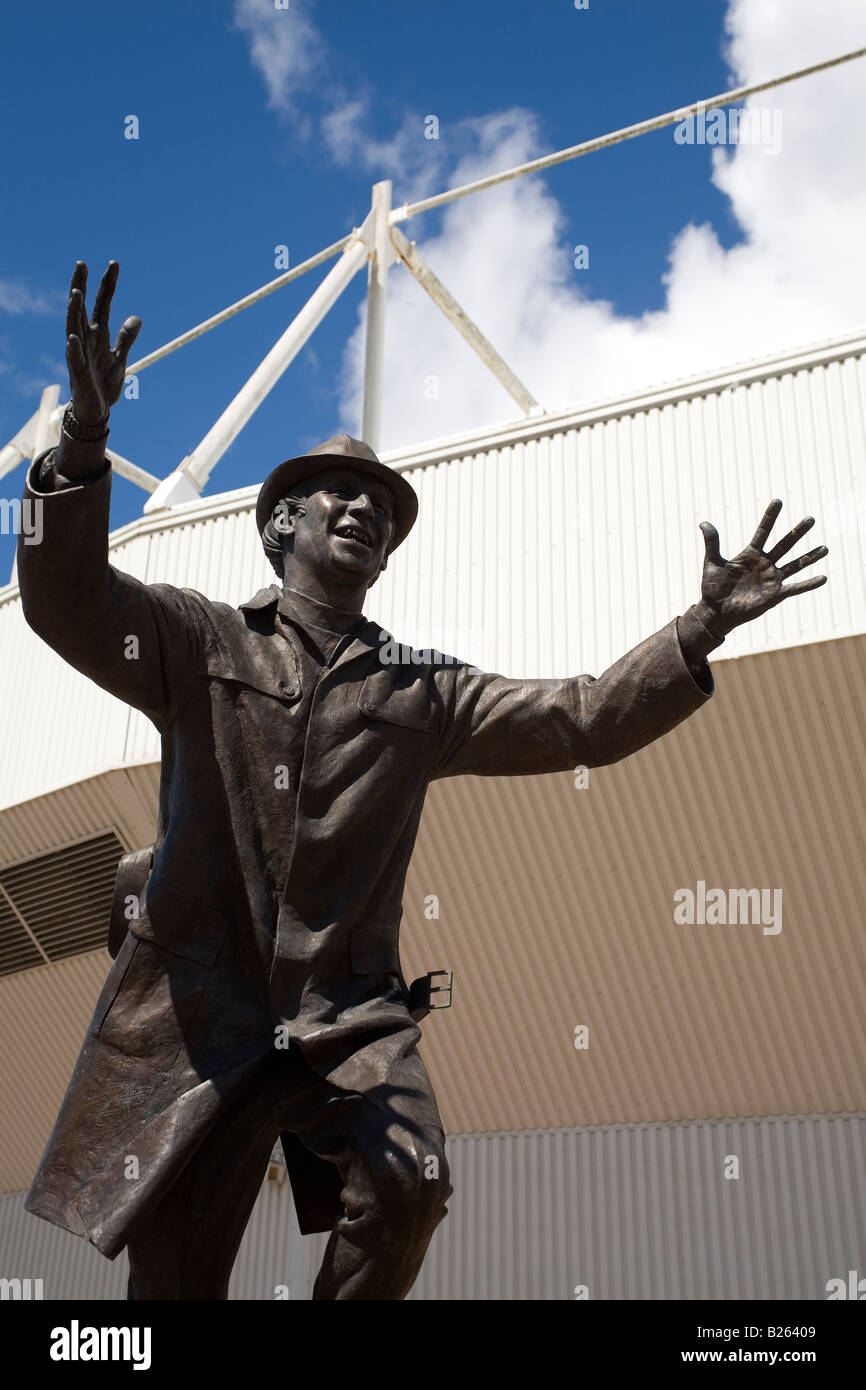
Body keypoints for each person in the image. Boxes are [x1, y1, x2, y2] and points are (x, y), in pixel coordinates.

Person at [19, 262, 828, 1299]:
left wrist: (695, 628)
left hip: (345, 1018)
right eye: (335, 494)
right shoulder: (198, 638)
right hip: (200, 1017)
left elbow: (579, 716)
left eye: (379, 507)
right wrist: (82, 450)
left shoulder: (420, 691)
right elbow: (69, 598)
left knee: (412, 1179)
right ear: (281, 528)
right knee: (174, 1280)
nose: (360, 507)